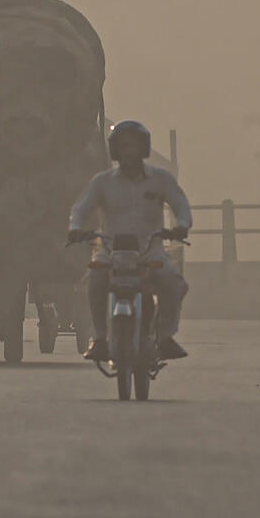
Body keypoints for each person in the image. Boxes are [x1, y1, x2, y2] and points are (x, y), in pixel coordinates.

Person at [66, 120, 193, 362]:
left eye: (133, 146)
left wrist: (182, 225)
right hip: (109, 251)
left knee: (173, 284)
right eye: (123, 146)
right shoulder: (102, 182)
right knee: (94, 281)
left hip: (150, 251)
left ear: (143, 148)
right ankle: (100, 338)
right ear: (115, 150)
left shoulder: (160, 179)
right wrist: (75, 229)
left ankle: (165, 336)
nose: (128, 152)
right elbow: (81, 209)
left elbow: (180, 205)